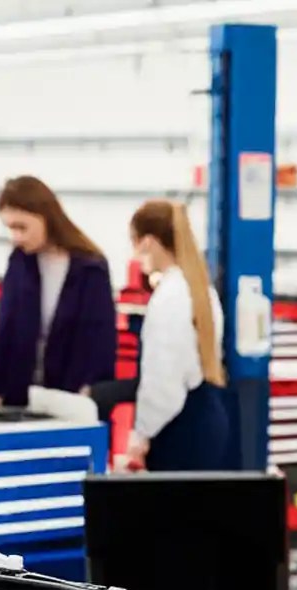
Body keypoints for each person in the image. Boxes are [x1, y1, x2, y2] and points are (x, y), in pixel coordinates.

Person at [0, 176, 117, 411]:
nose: (15, 237)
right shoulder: (19, 262)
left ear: (46, 217)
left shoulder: (91, 269)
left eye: (21, 227)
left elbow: (100, 344)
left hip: (70, 400)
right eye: (10, 228)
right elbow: (5, 330)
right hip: (21, 400)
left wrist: (90, 396)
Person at [123, 199, 228, 472]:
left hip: (179, 430)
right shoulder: (201, 289)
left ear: (147, 242)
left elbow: (163, 380)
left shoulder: (169, 296)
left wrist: (141, 433)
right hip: (207, 420)